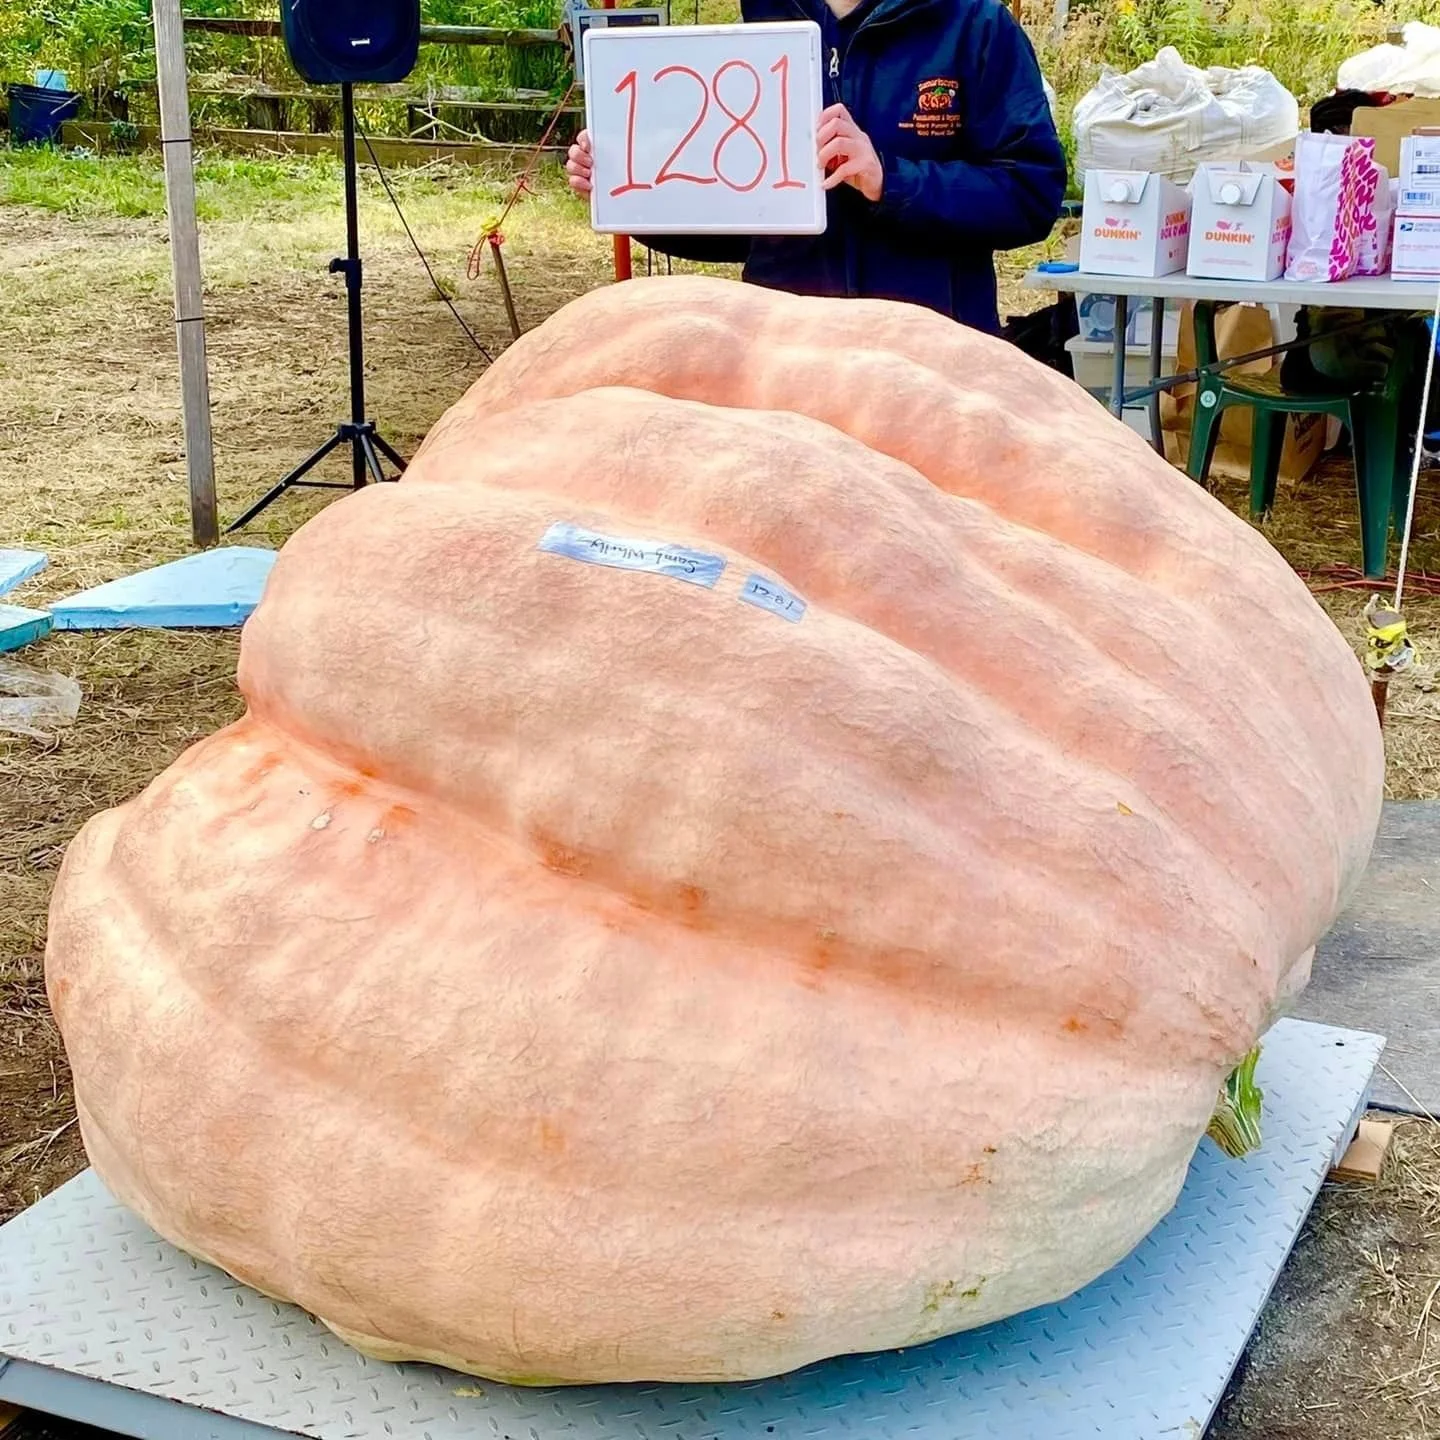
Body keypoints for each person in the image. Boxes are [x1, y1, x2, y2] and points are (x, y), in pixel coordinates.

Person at [566, 0, 1067, 335]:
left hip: (932, 359)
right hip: (789, 354)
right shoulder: (761, 31)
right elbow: (740, 225)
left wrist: (889, 180)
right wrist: (633, 193)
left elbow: (1030, 191)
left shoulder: (974, 26)